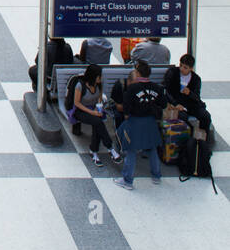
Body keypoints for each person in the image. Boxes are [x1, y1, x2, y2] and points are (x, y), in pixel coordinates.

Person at [114, 63, 166, 191]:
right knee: (152, 148)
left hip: (135, 121)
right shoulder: (157, 88)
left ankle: (128, 181)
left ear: (138, 73)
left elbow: (126, 109)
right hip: (151, 122)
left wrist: (128, 116)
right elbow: (163, 104)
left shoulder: (132, 88)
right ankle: (156, 176)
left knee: (131, 150)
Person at [71, 65, 121, 166]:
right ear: (93, 76)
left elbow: (99, 98)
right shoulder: (80, 86)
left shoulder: (98, 85)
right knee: (98, 121)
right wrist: (92, 112)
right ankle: (110, 148)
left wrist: (98, 107)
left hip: (94, 109)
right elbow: (77, 103)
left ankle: (94, 151)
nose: (101, 78)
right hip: (80, 111)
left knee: (97, 123)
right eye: (99, 76)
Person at [164, 53, 211, 133]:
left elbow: (196, 97)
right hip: (176, 103)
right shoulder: (172, 72)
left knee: (205, 116)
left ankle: (202, 139)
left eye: (185, 67)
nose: (182, 69)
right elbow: (166, 91)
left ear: (191, 69)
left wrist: (189, 93)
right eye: (181, 65)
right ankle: (189, 136)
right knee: (182, 117)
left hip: (191, 104)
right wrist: (175, 104)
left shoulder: (196, 79)